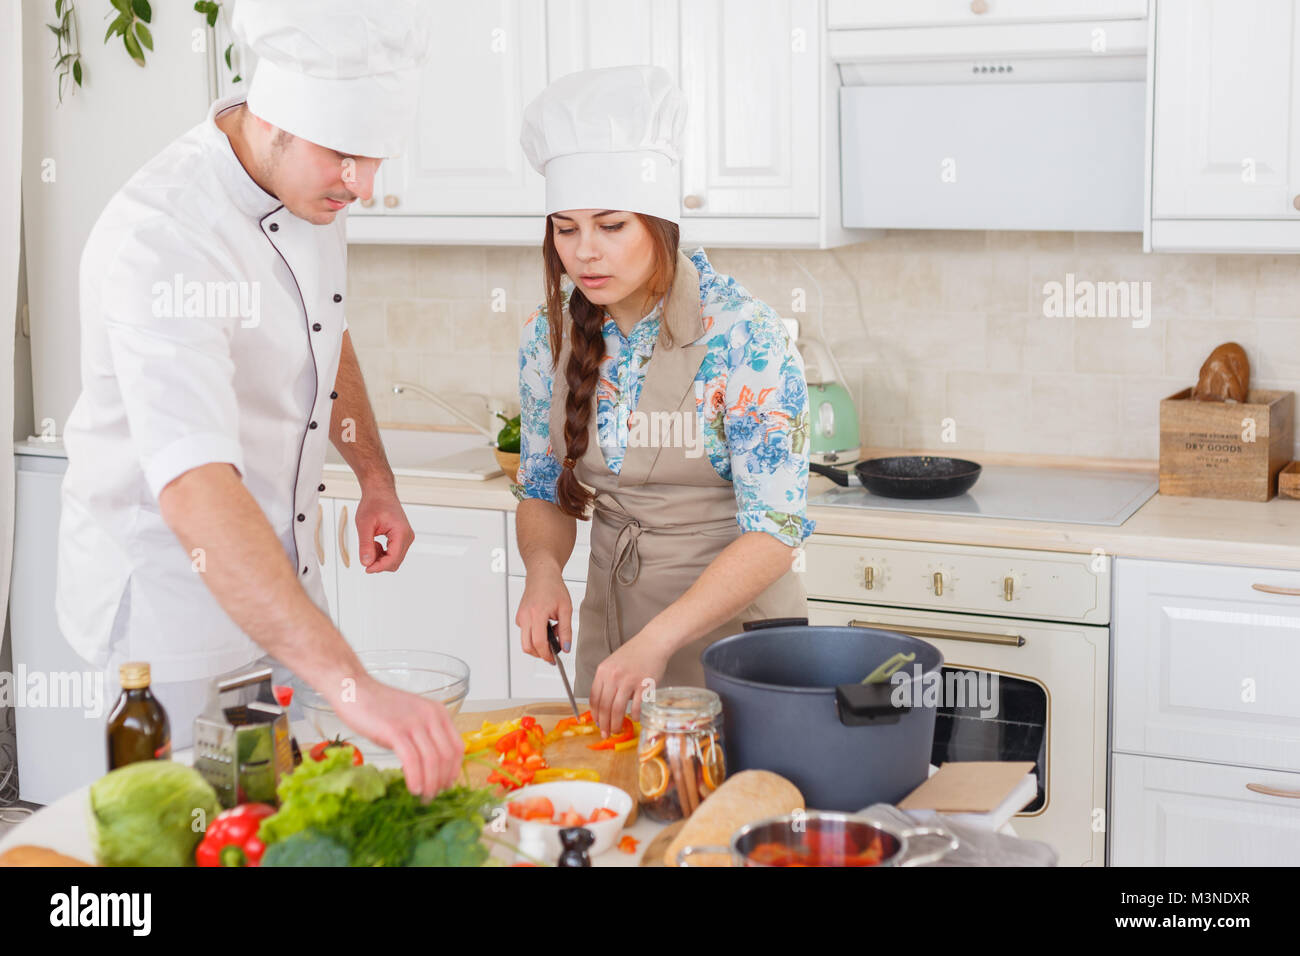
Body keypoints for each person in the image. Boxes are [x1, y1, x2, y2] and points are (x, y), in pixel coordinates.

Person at [54, 0, 463, 796]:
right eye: (347, 153)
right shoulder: (163, 238)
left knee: (279, 821)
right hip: (166, 617)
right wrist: (352, 685)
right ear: (272, 115)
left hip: (281, 592)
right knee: (175, 829)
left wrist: (375, 478)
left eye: (378, 157)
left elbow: (325, 333)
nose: (366, 185)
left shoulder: (314, 193)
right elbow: (197, 487)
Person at [513, 66, 815, 735]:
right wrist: (541, 571)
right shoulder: (550, 335)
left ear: (660, 224)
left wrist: (659, 641)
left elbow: (776, 530)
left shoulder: (744, 336)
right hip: (612, 637)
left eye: (612, 225)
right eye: (566, 229)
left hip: (741, 648)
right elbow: (541, 487)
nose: (585, 253)